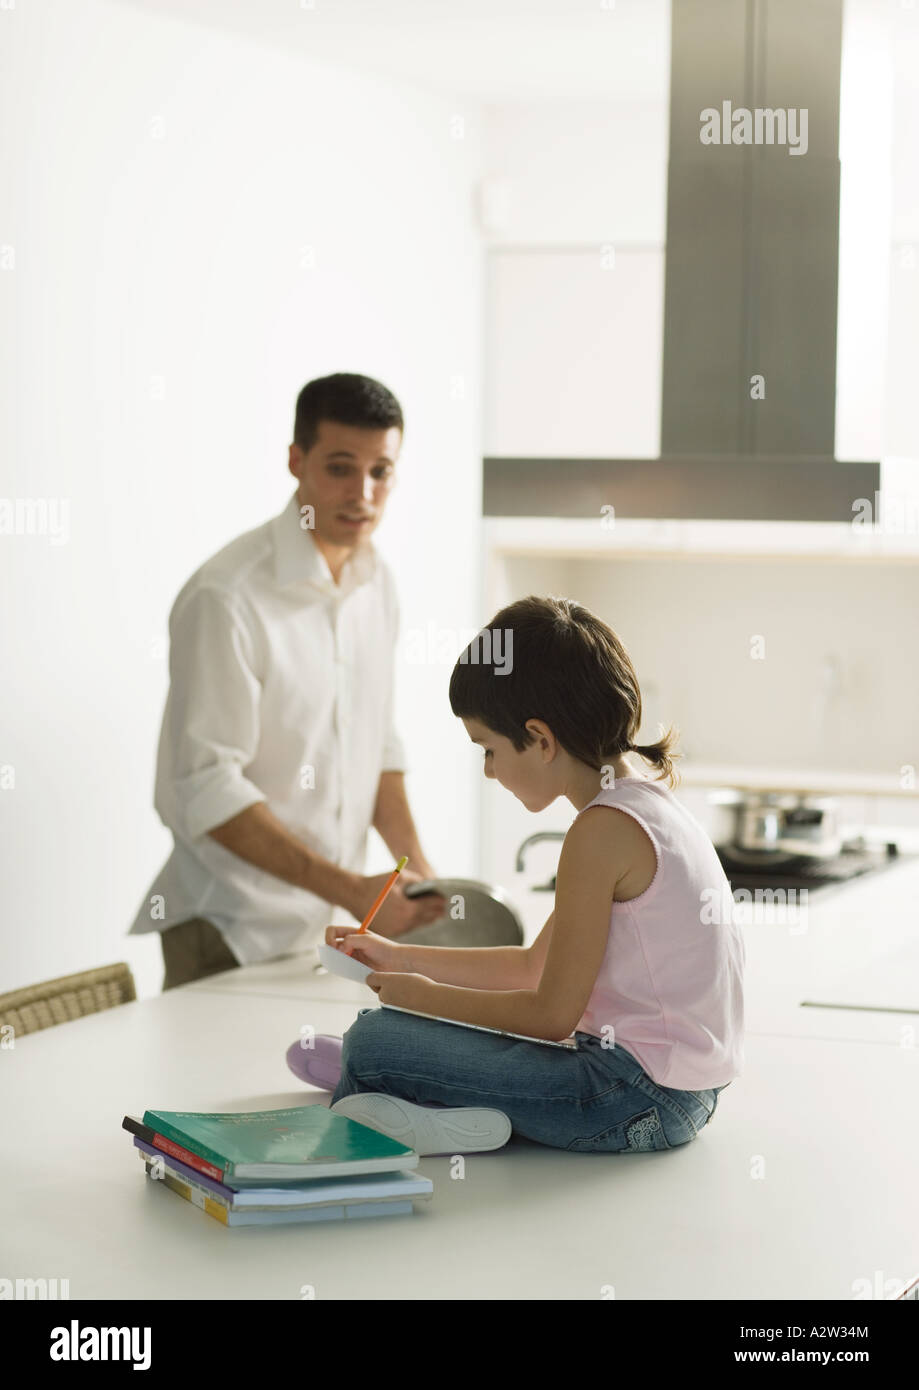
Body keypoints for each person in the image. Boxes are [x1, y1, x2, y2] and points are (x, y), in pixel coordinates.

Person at [288, 595, 745, 1158]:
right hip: (684, 1093)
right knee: (385, 1032)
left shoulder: (598, 833)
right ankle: (398, 1069)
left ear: (541, 738)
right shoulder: (648, 807)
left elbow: (551, 1017)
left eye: (488, 749)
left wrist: (423, 1000)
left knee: (373, 1037)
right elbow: (533, 967)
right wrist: (399, 957)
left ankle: (396, 1082)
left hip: (626, 1098)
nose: (488, 770)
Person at [128, 373, 446, 990]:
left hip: (327, 934)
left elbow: (377, 742)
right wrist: (350, 887)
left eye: (381, 471)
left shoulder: (376, 583)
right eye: (340, 467)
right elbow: (207, 784)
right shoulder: (226, 597)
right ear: (296, 461)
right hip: (228, 932)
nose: (364, 493)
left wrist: (422, 873)